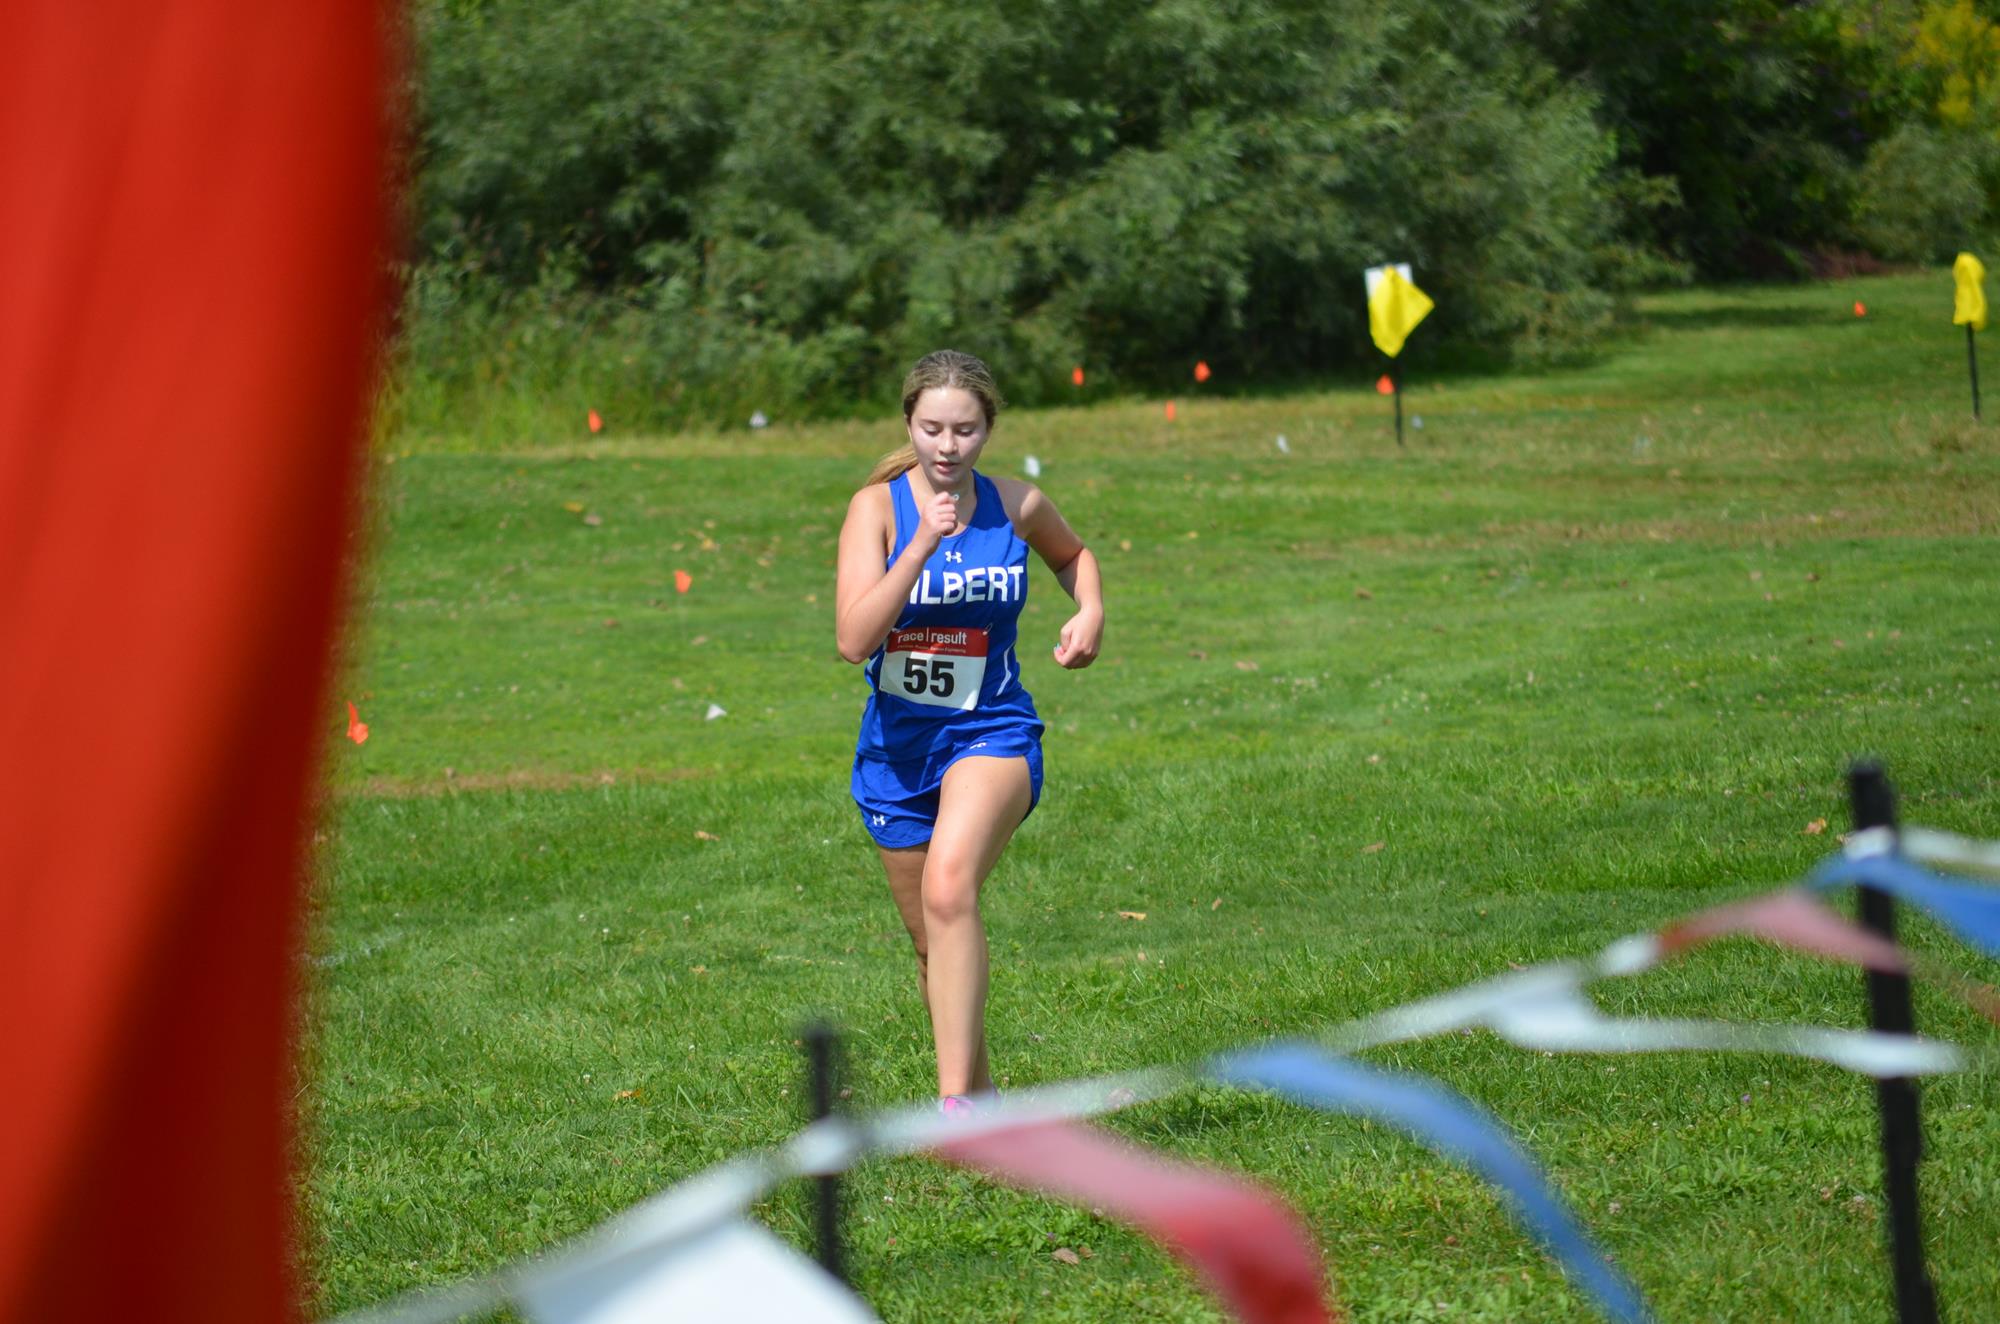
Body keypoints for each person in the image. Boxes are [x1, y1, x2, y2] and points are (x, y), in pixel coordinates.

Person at [835, 349, 1103, 1114]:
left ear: (989, 429)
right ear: (909, 425)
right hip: (897, 751)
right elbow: (854, 640)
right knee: (933, 943)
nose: (947, 447)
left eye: (965, 430)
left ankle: (953, 1110)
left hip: (992, 731)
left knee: (950, 890)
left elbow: (1074, 556)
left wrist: (1089, 609)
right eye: (931, 429)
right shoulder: (877, 509)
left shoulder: (1016, 504)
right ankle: (985, 1105)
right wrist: (918, 545)